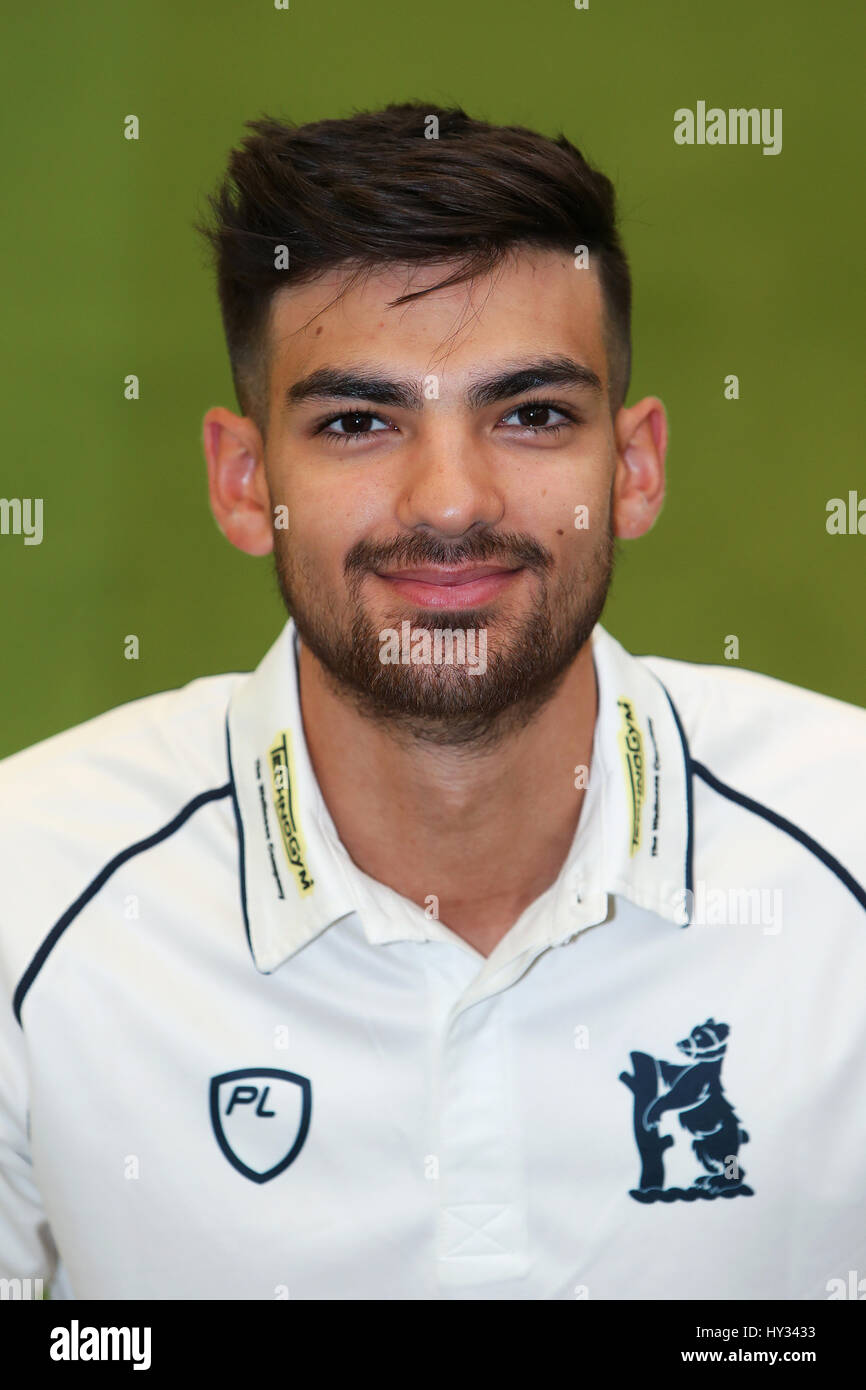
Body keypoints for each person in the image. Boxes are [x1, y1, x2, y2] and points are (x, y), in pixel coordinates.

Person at [1, 102, 863, 1302]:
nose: (449, 501)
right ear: (245, 482)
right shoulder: (25, 891)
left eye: (530, 415)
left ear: (634, 466)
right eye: (358, 422)